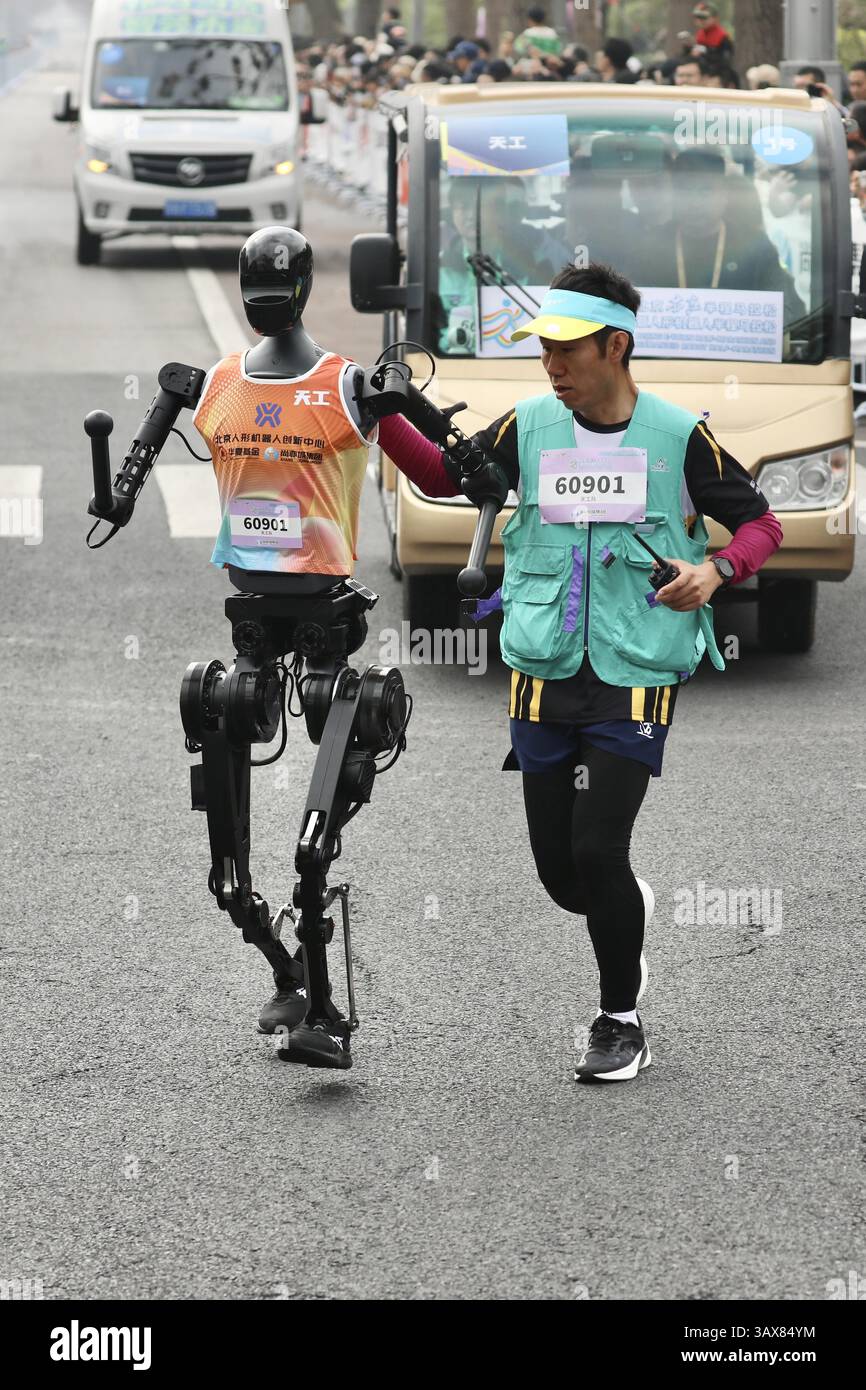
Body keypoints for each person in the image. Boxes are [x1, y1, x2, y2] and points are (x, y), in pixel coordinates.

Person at [381, 262, 783, 1082]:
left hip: (635, 672)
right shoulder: (529, 426)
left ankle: (619, 1018)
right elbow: (440, 476)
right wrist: (380, 413)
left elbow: (762, 522)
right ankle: (618, 917)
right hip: (542, 670)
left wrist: (715, 572)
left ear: (617, 346)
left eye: (567, 349)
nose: (551, 365)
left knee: (599, 848)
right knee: (564, 874)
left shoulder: (677, 436)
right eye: (544, 350)